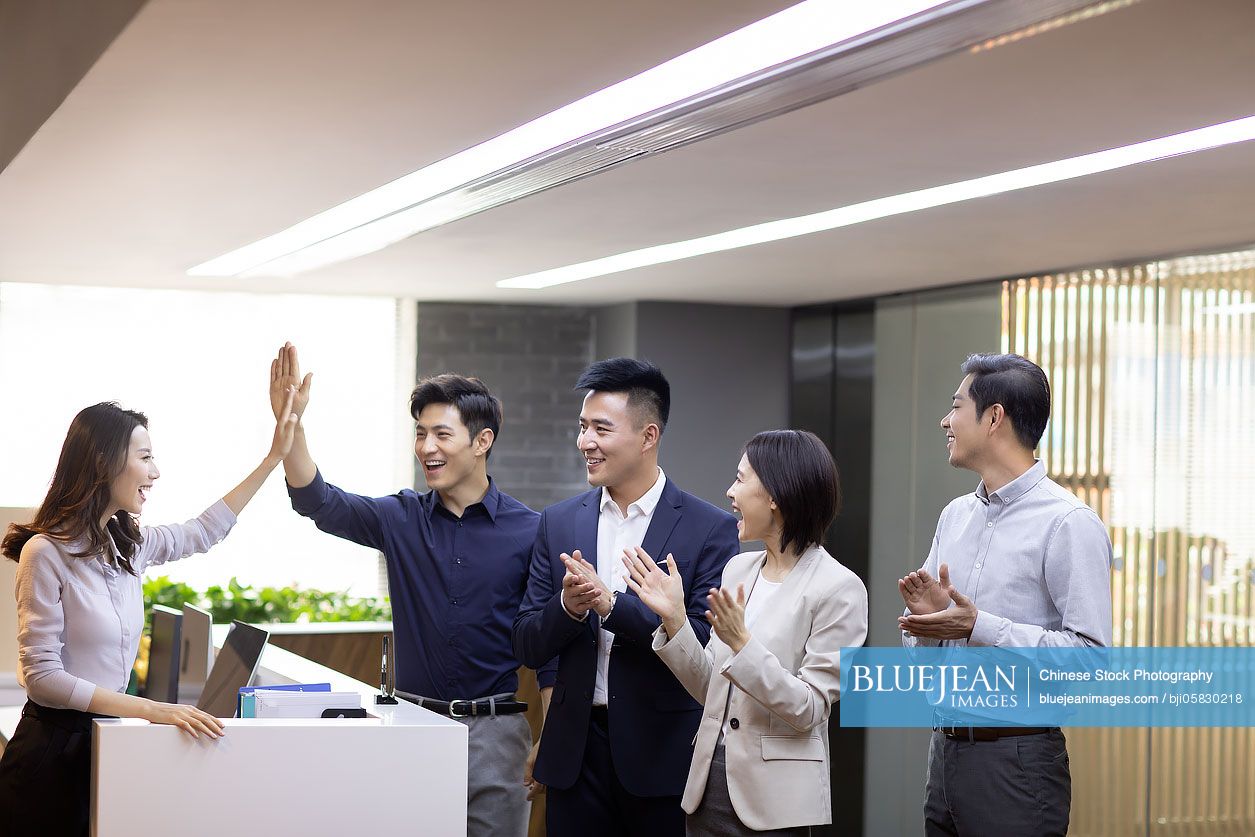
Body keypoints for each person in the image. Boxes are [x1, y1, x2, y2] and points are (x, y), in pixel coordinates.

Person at [271, 343, 549, 837]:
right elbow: (318, 500)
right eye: (420, 433)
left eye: (442, 434)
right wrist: (292, 425)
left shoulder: (531, 531)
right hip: (412, 724)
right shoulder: (399, 518)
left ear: (482, 441)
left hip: (497, 734)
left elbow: (549, 645)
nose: (426, 447)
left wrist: (552, 734)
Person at [0, 391, 298, 837]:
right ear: (103, 462)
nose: (155, 472)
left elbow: (203, 531)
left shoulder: (128, 547)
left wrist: (273, 458)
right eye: (145, 457)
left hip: (105, 738)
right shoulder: (45, 553)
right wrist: (153, 709)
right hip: (51, 753)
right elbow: (42, 677)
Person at [512, 357, 740, 837]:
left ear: (648, 435)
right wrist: (568, 607)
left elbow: (702, 644)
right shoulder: (558, 522)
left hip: (662, 758)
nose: (585, 442)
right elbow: (528, 643)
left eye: (601, 428)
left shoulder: (708, 529)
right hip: (575, 758)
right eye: (583, 427)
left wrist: (611, 605)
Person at [897, 353, 1113, 837]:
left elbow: (1090, 661)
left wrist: (979, 627)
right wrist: (928, 627)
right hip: (945, 752)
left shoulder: (1068, 523)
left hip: (1017, 762)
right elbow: (923, 653)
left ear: (994, 418)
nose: (945, 420)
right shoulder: (955, 515)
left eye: (957, 406)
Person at [624, 429, 868, 835]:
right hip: (707, 786)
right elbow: (711, 689)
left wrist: (742, 643)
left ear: (775, 495)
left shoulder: (839, 588)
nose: (730, 492)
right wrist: (676, 619)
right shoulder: (738, 570)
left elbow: (809, 709)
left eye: (740, 479)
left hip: (776, 803)